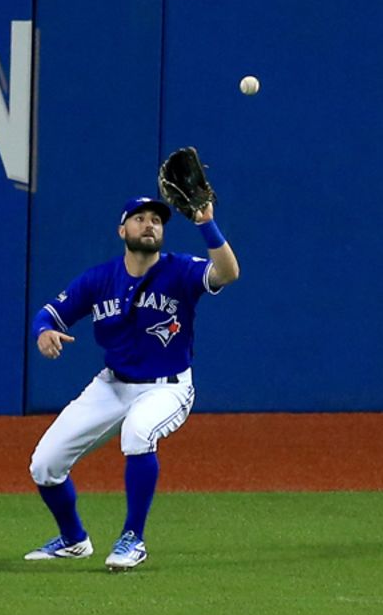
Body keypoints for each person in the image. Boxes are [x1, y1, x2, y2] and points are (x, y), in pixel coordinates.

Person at [24, 195, 240, 571]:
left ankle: (132, 539)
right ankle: (74, 540)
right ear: (123, 231)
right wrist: (44, 332)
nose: (150, 224)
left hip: (167, 387)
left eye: (156, 219)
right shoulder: (99, 279)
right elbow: (49, 313)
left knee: (139, 433)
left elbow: (228, 273)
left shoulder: (182, 271)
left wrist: (206, 223)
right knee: (44, 464)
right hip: (112, 385)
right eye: (139, 218)